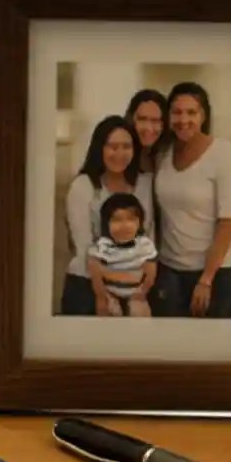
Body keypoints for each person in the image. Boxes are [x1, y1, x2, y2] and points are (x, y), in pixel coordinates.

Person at [152, 82, 231, 318]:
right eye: (177, 112)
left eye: (191, 112)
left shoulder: (223, 153)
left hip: (213, 273)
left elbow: (228, 221)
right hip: (169, 269)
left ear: (203, 115)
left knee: (209, 348)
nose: (183, 119)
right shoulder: (164, 153)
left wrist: (206, 279)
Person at [59, 115, 153, 315]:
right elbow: (84, 247)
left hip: (135, 287)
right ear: (99, 148)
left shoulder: (145, 184)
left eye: (126, 146)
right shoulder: (83, 186)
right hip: (88, 280)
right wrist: (103, 291)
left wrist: (141, 287)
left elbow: (148, 238)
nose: (119, 153)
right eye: (112, 146)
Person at [87, 193, 157, 317]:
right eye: (116, 220)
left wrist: (142, 293)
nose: (124, 226)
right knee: (107, 313)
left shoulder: (144, 245)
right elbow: (95, 273)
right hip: (110, 294)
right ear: (106, 223)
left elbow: (150, 272)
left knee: (139, 314)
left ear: (140, 222)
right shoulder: (102, 246)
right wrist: (102, 296)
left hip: (137, 295)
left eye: (130, 219)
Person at [124, 89, 168, 174]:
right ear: (131, 119)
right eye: (142, 119)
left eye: (155, 120)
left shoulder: (164, 157)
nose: (148, 128)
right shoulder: (119, 156)